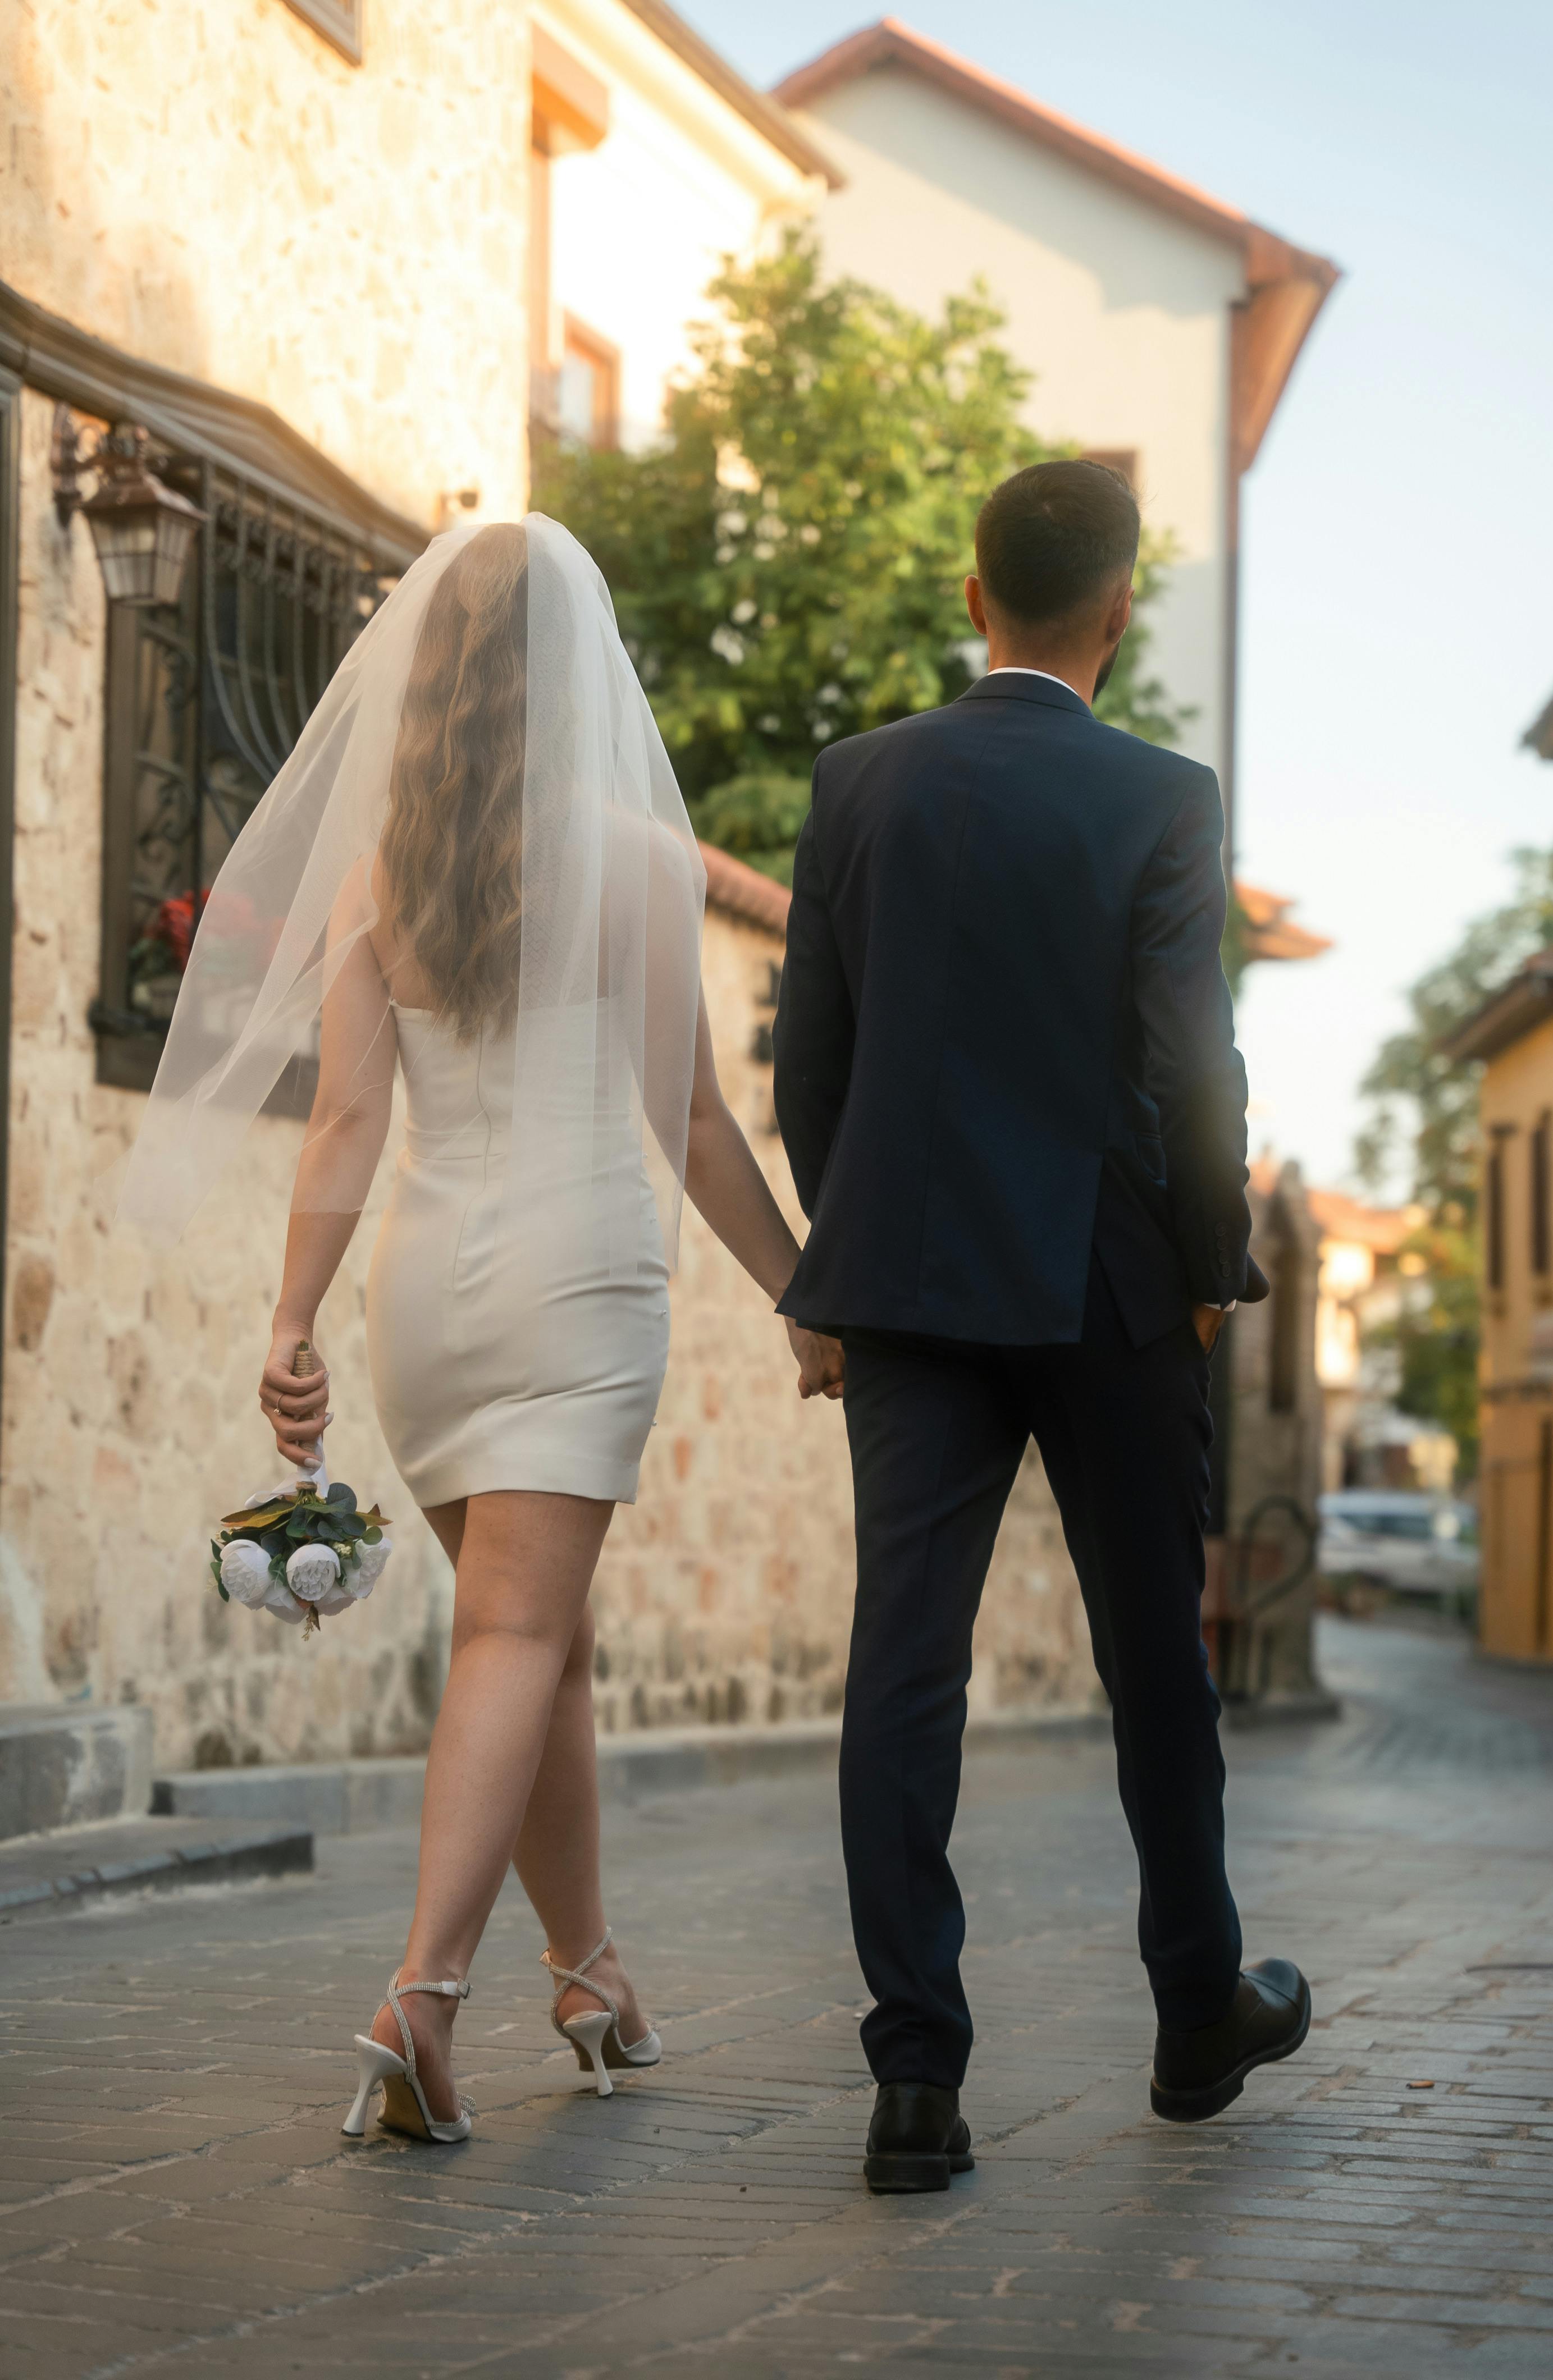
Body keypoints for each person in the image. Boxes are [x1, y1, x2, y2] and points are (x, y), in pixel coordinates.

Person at [121, 518, 843, 2143]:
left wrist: (292, 1318)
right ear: (577, 673)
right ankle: (423, 1998)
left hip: (427, 1292)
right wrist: (807, 1295)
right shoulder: (644, 866)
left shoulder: (388, 869)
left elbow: (347, 1125)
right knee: (516, 1639)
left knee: (548, 1640)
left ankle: (587, 1970)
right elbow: (699, 1129)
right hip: (578, 1278)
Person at [772, 459, 1310, 2194]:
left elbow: (812, 1065)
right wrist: (1214, 1264)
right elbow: (1189, 1063)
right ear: (1122, 609)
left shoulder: (857, 782)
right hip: (1107, 1285)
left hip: (910, 1283)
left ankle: (915, 2080)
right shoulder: (1164, 794)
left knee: (904, 1667)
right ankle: (1192, 2018)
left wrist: (846, 1265)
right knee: (1159, 1663)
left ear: (972, 594)